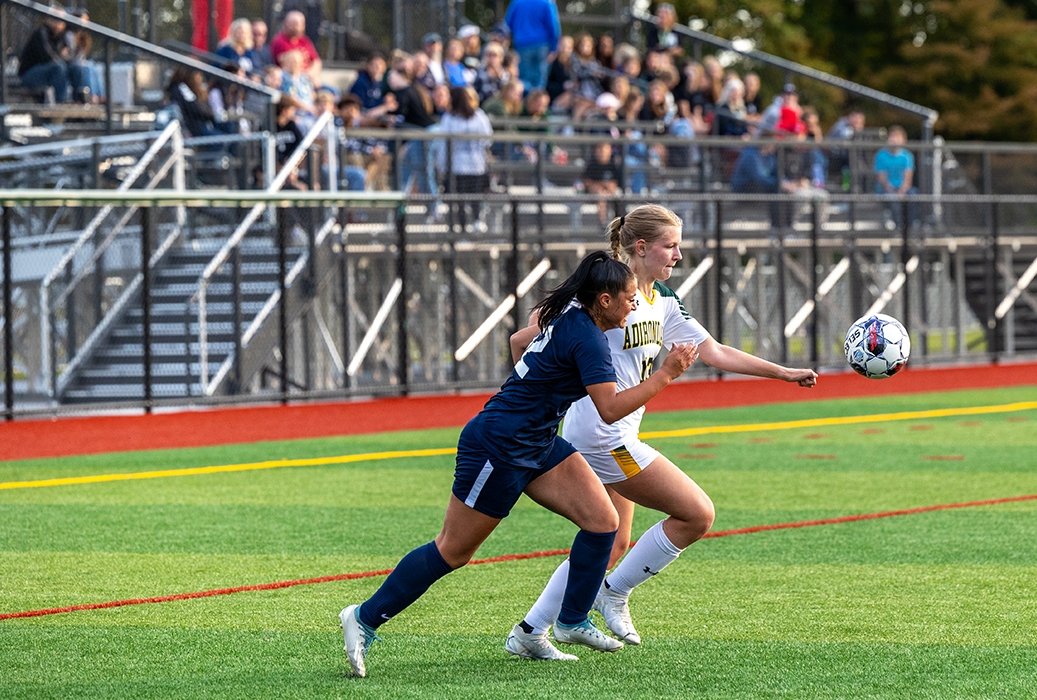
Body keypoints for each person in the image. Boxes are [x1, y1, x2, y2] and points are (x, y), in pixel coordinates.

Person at [339, 251, 700, 677]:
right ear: (604, 301)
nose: (634, 303)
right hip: (499, 445)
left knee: (604, 522)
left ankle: (570, 621)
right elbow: (609, 409)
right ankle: (364, 617)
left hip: (537, 441)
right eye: (628, 297)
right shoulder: (588, 338)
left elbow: (518, 342)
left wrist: (534, 400)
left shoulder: (572, 318)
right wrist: (666, 374)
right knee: (453, 550)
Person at [507, 204, 818, 658]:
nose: (678, 255)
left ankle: (531, 630)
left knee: (612, 540)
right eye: (670, 246)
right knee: (696, 513)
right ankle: (611, 593)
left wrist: (784, 373)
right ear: (641, 247)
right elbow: (524, 340)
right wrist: (534, 402)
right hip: (603, 436)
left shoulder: (661, 299)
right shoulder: (603, 295)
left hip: (611, 433)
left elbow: (715, 351)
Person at [436, 86, 494, 230]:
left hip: (469, 165)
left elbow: (487, 139)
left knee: (468, 196)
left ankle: (471, 223)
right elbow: (487, 140)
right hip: (464, 165)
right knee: (465, 197)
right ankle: (468, 224)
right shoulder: (456, 117)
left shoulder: (476, 115)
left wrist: (441, 164)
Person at [504, 0, 561, 91]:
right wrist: (554, 48)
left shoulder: (517, 2)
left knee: (523, 78)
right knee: (540, 81)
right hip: (542, 46)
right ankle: (536, 98)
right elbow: (553, 27)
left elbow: (507, 24)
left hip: (522, 45)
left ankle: (524, 97)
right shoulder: (546, 3)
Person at [18, 11, 73, 103]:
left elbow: (70, 57)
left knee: (78, 68)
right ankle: (61, 101)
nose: (58, 23)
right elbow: (47, 57)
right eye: (55, 19)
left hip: (49, 72)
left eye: (61, 21)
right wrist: (61, 56)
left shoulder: (62, 36)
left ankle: (86, 99)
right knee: (58, 67)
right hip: (29, 74)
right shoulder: (41, 33)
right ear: (48, 20)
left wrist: (65, 57)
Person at [874, 124, 918, 229]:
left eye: (898, 137)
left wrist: (902, 191)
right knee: (892, 198)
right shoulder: (881, 155)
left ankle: (910, 226)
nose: (895, 140)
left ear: (903, 140)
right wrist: (891, 190)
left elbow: (908, 177)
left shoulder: (907, 156)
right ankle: (898, 227)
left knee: (914, 194)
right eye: (892, 136)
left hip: (902, 188)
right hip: (885, 188)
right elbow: (882, 177)